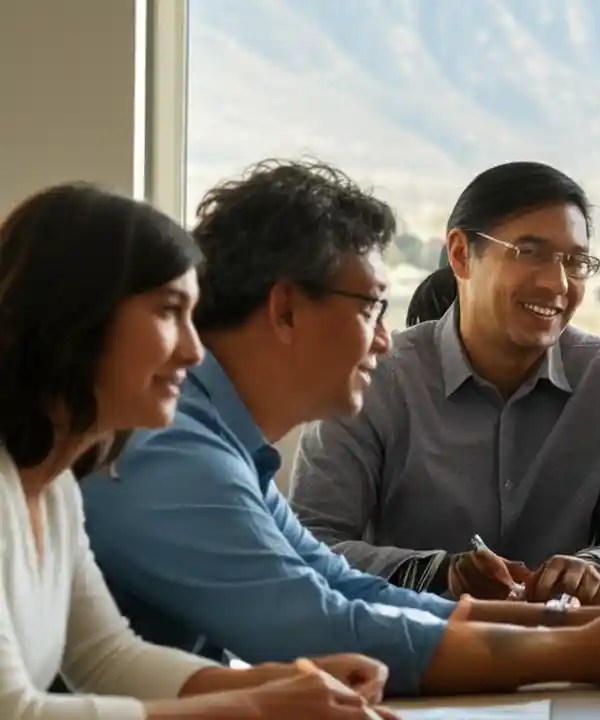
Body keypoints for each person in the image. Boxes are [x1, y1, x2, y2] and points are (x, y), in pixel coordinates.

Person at [80, 160, 600, 697]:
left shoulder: (221, 441)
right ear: (286, 309)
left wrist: (560, 623)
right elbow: (319, 624)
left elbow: (338, 582)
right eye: (370, 308)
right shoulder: (171, 448)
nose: (384, 340)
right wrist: (578, 652)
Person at [0, 183, 397, 719]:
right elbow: (14, 712)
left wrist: (278, 682)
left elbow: (107, 657)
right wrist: (257, 706)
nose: (193, 350)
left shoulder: (55, 490)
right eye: (169, 312)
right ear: (77, 314)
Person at [290, 161, 600, 605]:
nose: (557, 283)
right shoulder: (375, 377)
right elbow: (309, 545)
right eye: (530, 252)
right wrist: (438, 574)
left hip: (567, 643)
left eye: (575, 262)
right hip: (411, 639)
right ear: (461, 254)